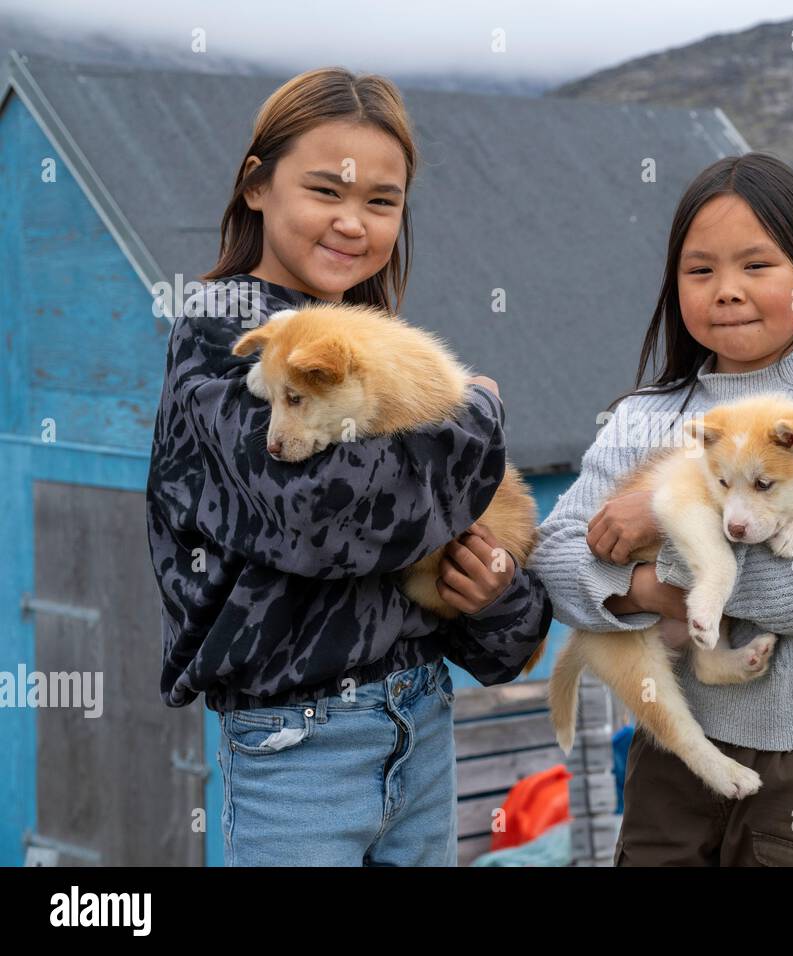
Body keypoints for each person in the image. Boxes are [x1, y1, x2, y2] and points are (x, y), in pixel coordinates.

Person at [145, 67, 551, 866]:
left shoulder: (373, 352)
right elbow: (321, 517)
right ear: (255, 187)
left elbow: (496, 626)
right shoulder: (226, 339)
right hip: (297, 750)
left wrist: (498, 595)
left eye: (381, 201)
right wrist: (479, 417)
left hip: (423, 722)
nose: (353, 223)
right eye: (325, 190)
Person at [527, 152, 793, 866]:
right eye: (700, 271)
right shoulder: (645, 416)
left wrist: (658, 533)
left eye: (757, 266)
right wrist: (656, 588)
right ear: (675, 286)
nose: (727, 291)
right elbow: (553, 558)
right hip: (670, 745)